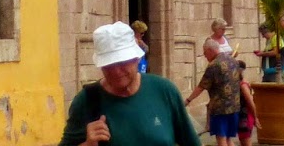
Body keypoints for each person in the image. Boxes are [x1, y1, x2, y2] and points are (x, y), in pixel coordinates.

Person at [60, 23, 202, 146]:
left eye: (122, 62)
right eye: (108, 65)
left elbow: (191, 142)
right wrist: (87, 144)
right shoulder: (87, 100)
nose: (116, 71)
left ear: (137, 58)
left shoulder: (164, 90)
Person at [186, 39, 242, 141]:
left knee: (221, 139)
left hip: (220, 109)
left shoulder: (214, 65)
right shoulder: (233, 61)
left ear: (210, 50)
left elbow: (201, 86)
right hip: (234, 106)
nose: (205, 56)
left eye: (205, 53)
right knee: (228, 139)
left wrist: (188, 100)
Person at [235, 59, 256, 146]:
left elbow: (250, 102)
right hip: (242, 116)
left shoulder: (243, 85)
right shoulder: (241, 84)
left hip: (245, 116)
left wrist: (256, 117)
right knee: (243, 140)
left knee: (245, 140)